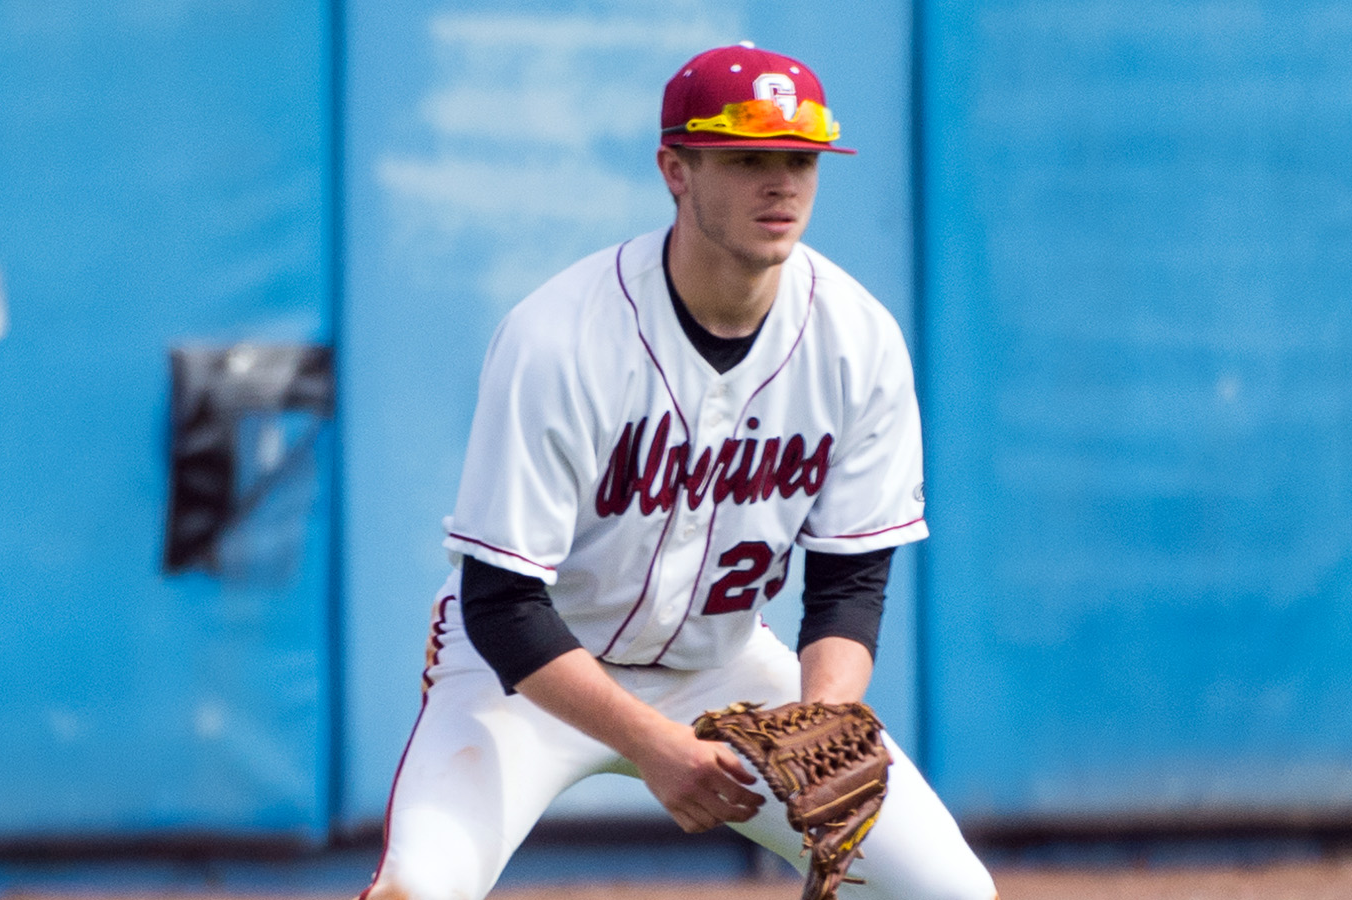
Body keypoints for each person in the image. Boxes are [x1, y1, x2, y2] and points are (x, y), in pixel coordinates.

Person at [358, 42, 999, 900]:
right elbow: (501, 605)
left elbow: (849, 582)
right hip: (526, 678)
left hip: (725, 668)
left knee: (952, 894)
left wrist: (826, 715)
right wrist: (655, 747)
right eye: (746, 159)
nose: (781, 185)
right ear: (676, 169)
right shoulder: (560, 336)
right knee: (419, 890)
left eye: (800, 160)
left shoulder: (859, 339)